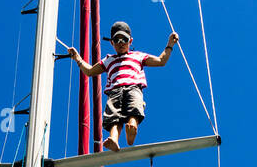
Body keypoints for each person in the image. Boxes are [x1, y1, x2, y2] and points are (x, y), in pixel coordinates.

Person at [68, 20, 179, 151]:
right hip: (115, 91)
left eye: (124, 39)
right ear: (111, 42)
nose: (121, 43)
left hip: (133, 87)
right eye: (117, 40)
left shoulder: (138, 56)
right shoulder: (108, 60)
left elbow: (161, 61)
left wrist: (170, 44)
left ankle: (132, 126)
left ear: (130, 41)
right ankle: (114, 139)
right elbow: (90, 71)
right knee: (114, 116)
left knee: (134, 107)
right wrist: (77, 59)